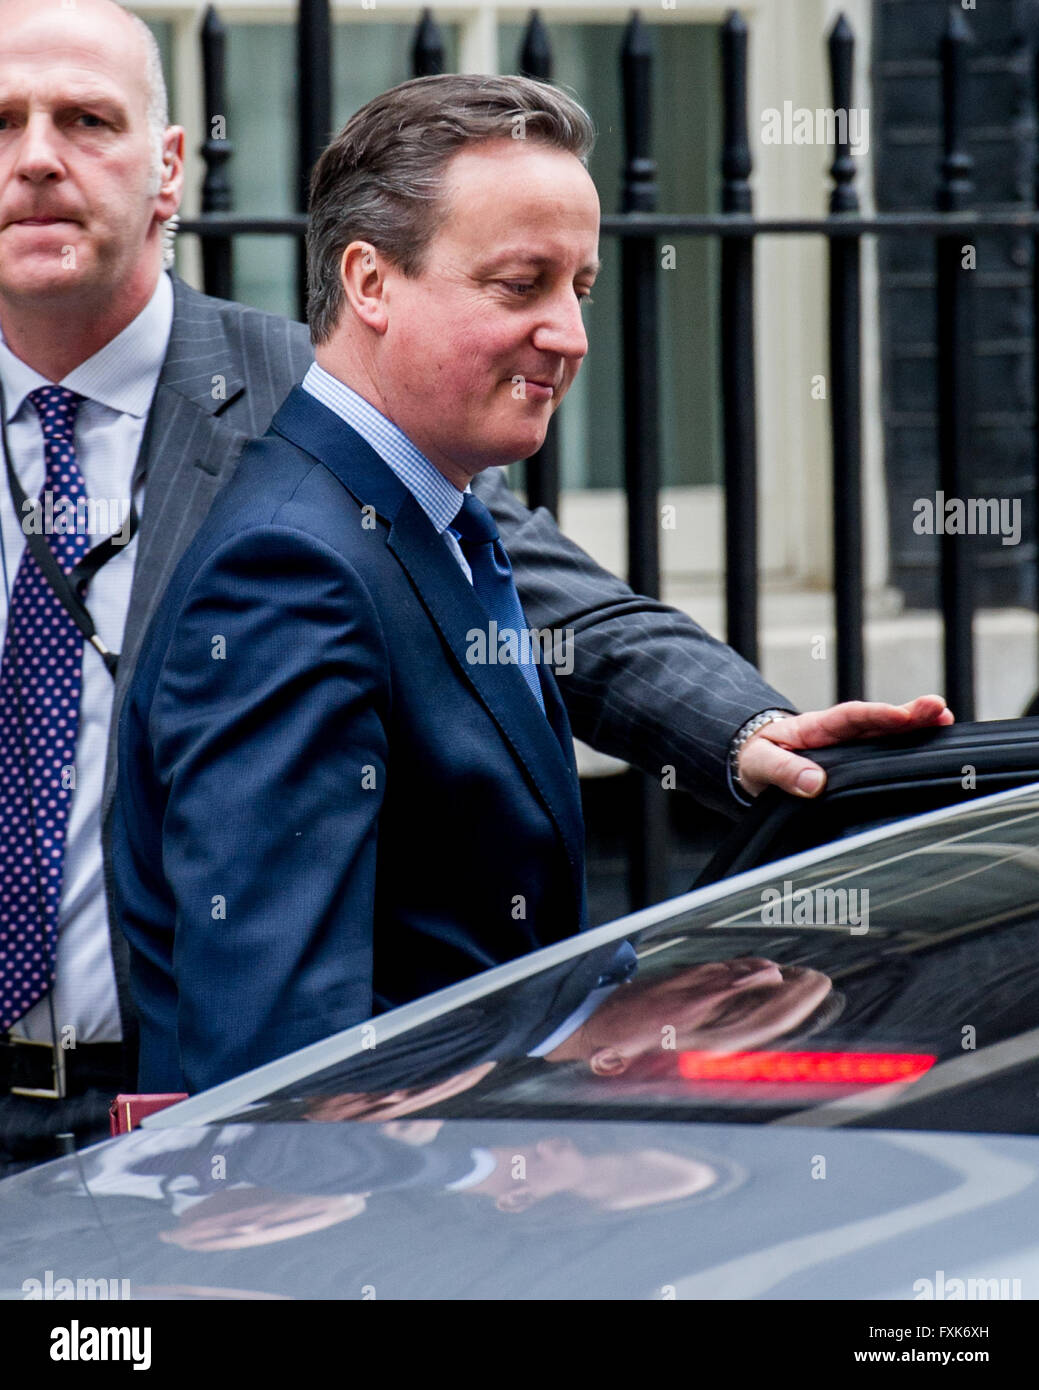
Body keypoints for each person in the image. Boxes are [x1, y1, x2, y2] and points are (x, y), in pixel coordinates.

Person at [0, 0, 951, 1159]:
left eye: (86, 118)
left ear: (168, 167)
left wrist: (746, 729)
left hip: (155, 1101)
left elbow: (553, 604)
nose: (38, 156)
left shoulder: (327, 393)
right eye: (3, 121)